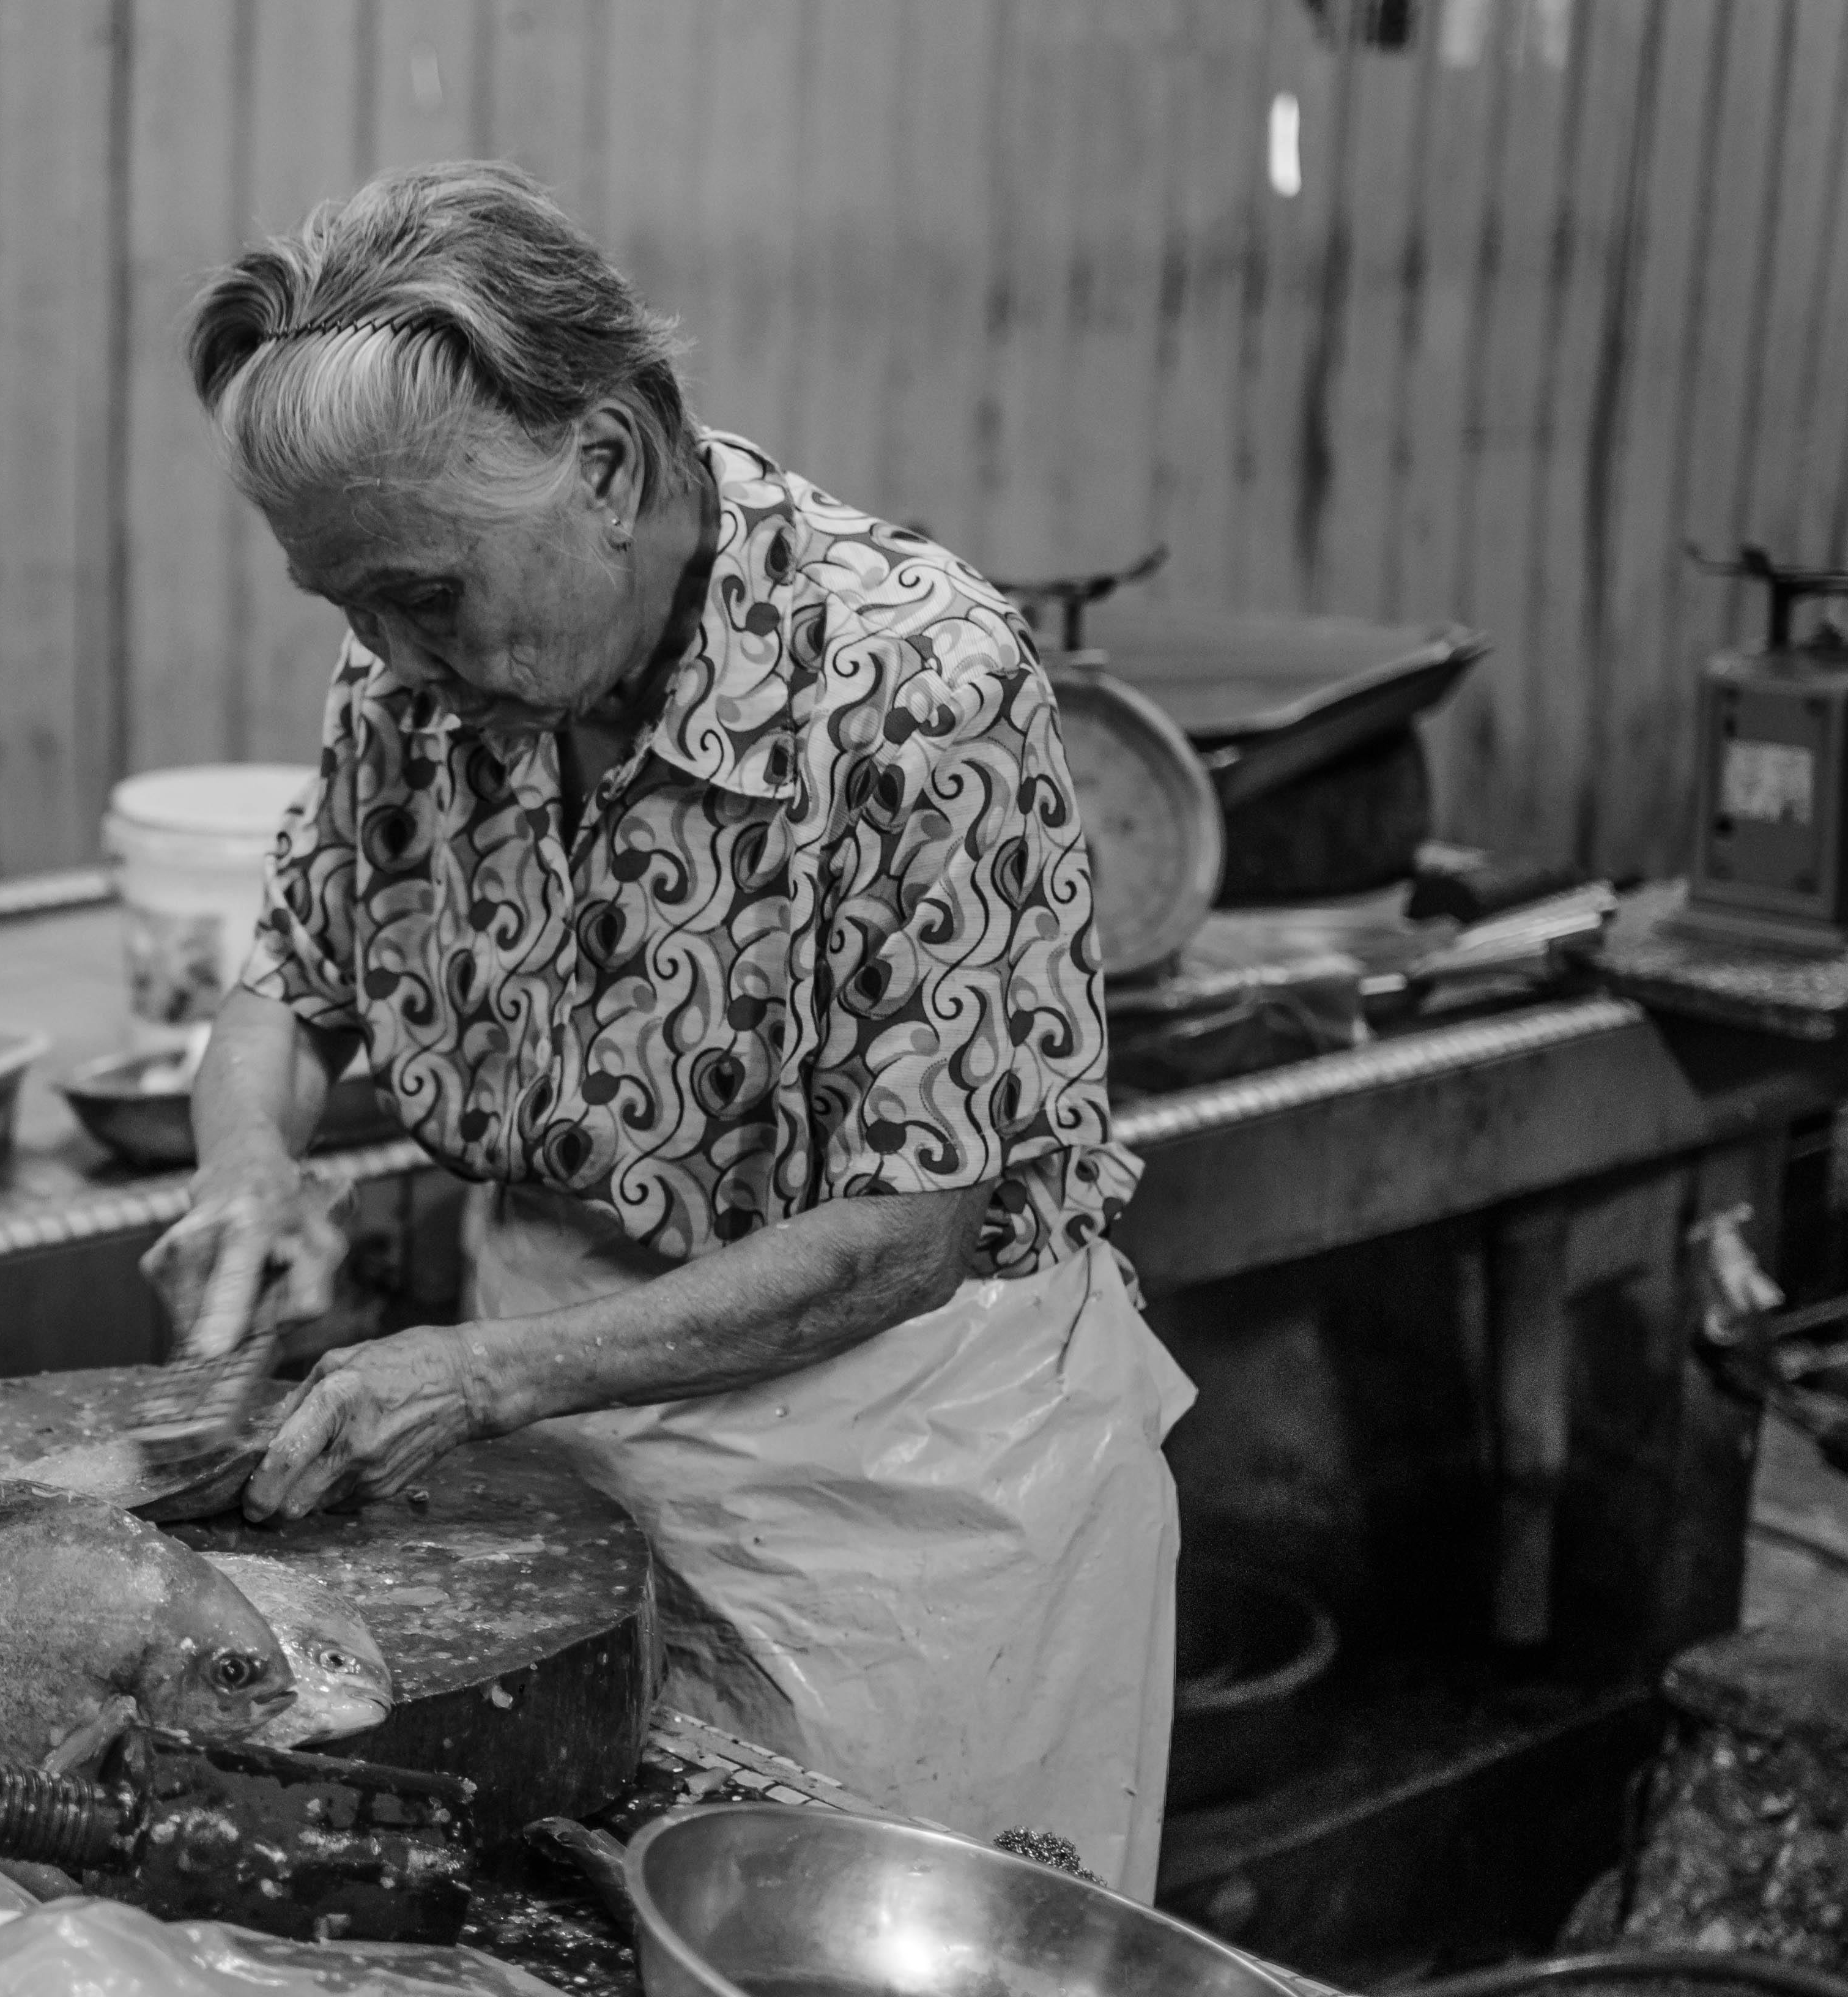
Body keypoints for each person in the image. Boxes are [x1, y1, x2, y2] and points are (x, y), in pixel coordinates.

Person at [144, 161, 1196, 1892]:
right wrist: (246, 1166)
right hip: (554, 1476)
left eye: (423, 595)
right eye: (349, 611)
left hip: (899, 1491)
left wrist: (485, 1373)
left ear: (610, 465)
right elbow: (290, 973)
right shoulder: (415, 676)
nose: (393, 657)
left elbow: (902, 1237)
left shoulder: (913, 685)